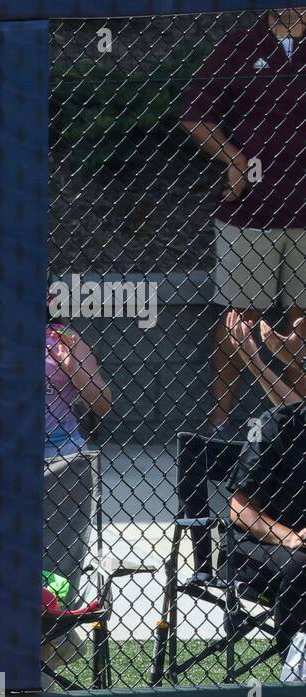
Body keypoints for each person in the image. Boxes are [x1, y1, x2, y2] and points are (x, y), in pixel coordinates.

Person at [180, 7, 306, 437]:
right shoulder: (238, 45)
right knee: (241, 317)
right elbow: (195, 115)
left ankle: (299, 425)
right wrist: (234, 160)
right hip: (250, 211)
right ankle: (219, 426)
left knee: (302, 321)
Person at [0, 287, 112, 457]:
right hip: (6, 452)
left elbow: (103, 405)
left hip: (60, 449)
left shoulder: (63, 337)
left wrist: (75, 372)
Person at [228, 398, 306, 682]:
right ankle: (297, 676)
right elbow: (240, 510)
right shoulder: (271, 425)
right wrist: (289, 536)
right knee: (302, 564)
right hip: (260, 543)